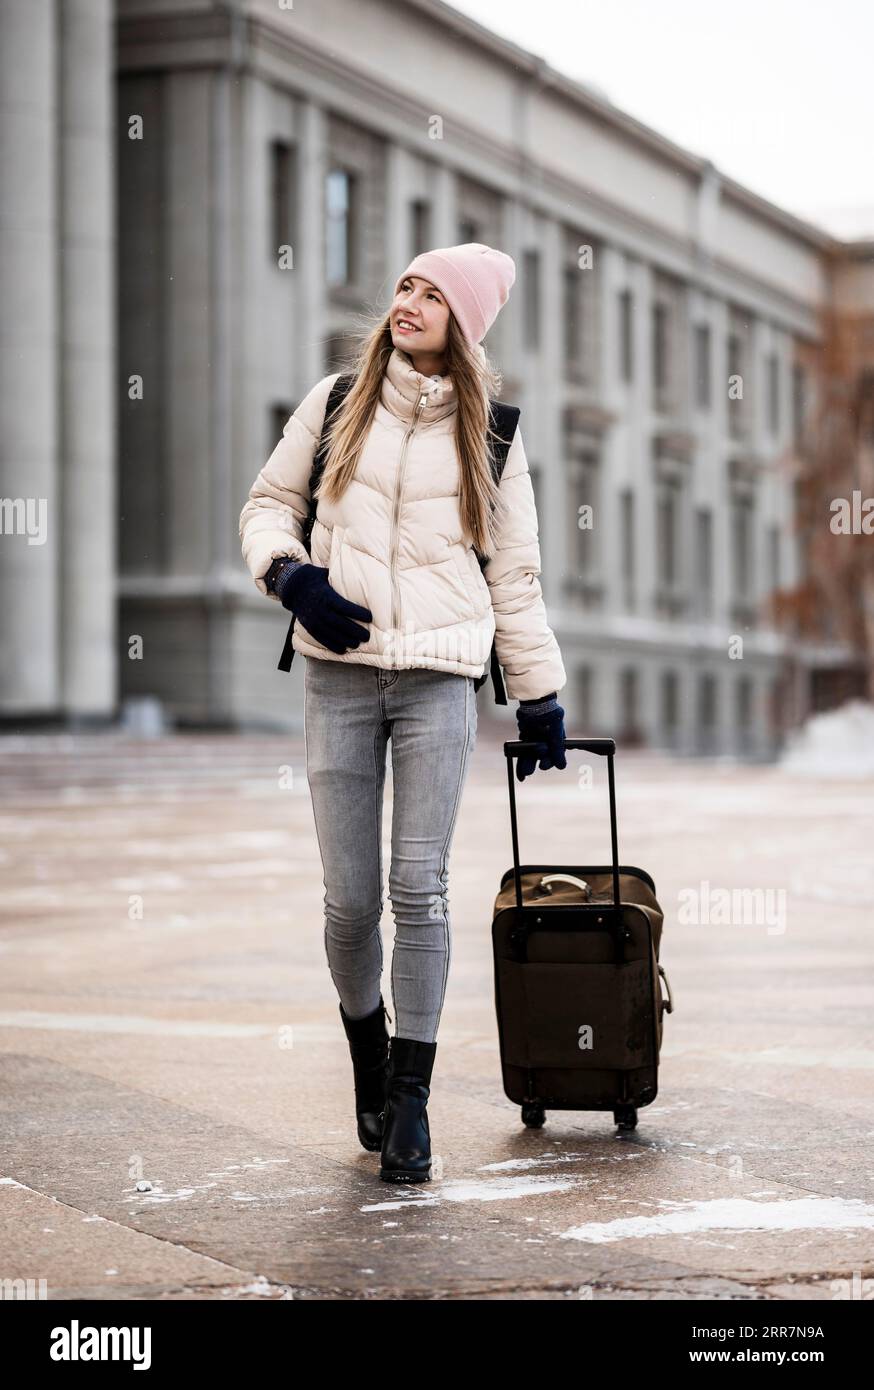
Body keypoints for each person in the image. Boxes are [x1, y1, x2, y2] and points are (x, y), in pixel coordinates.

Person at [239, 242, 568, 1183]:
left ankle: (414, 1100)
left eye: (432, 295)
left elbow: (515, 573)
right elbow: (269, 504)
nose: (409, 303)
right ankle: (367, 1058)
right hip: (339, 675)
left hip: (438, 681)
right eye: (405, 286)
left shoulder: (493, 433)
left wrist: (538, 692)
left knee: (416, 888)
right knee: (351, 901)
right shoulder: (337, 400)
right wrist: (290, 574)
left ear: (463, 324)